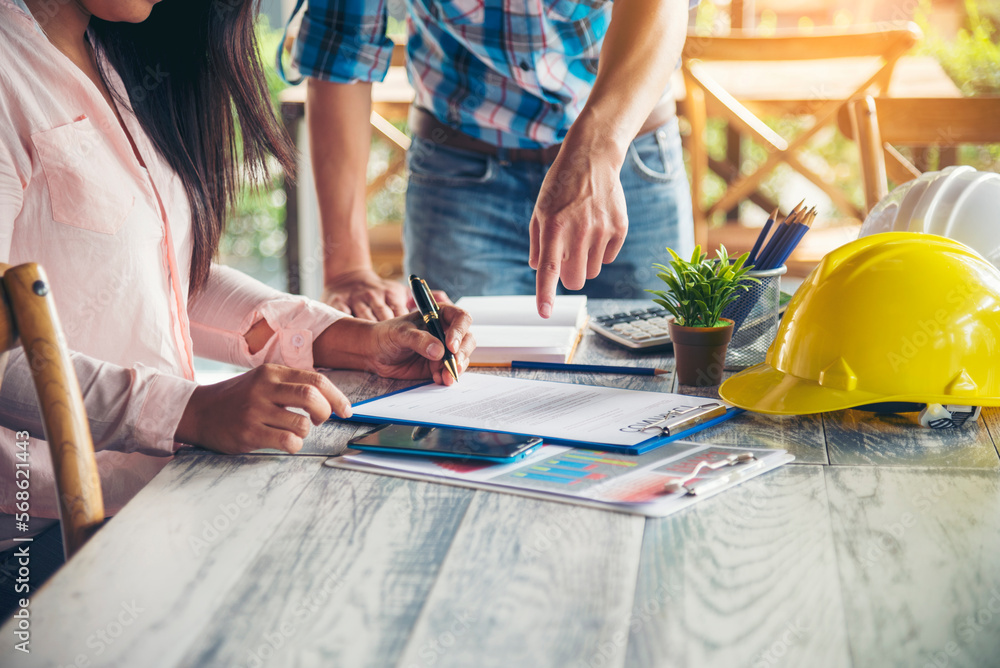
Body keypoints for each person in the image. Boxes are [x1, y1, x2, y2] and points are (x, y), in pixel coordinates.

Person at [0, 0, 474, 619]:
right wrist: (189, 409)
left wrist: (359, 340)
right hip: (39, 547)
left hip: (152, 502)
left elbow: (166, 277)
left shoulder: (109, 56)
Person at [288, 0, 696, 320]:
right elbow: (341, 44)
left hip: (627, 161)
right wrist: (346, 269)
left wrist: (597, 149)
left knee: (661, 367)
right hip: (460, 176)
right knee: (452, 385)